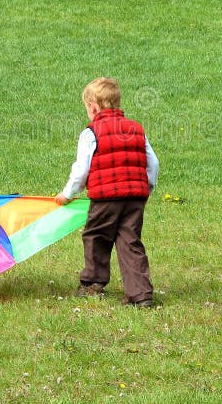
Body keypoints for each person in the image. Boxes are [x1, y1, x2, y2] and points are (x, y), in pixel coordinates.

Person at [55, 77, 160, 308]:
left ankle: (93, 282)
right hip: (135, 197)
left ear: (93, 106)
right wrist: (146, 187)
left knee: (96, 236)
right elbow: (153, 163)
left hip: (105, 197)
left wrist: (68, 193)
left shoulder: (91, 132)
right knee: (130, 241)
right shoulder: (137, 129)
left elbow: (81, 169)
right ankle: (141, 294)